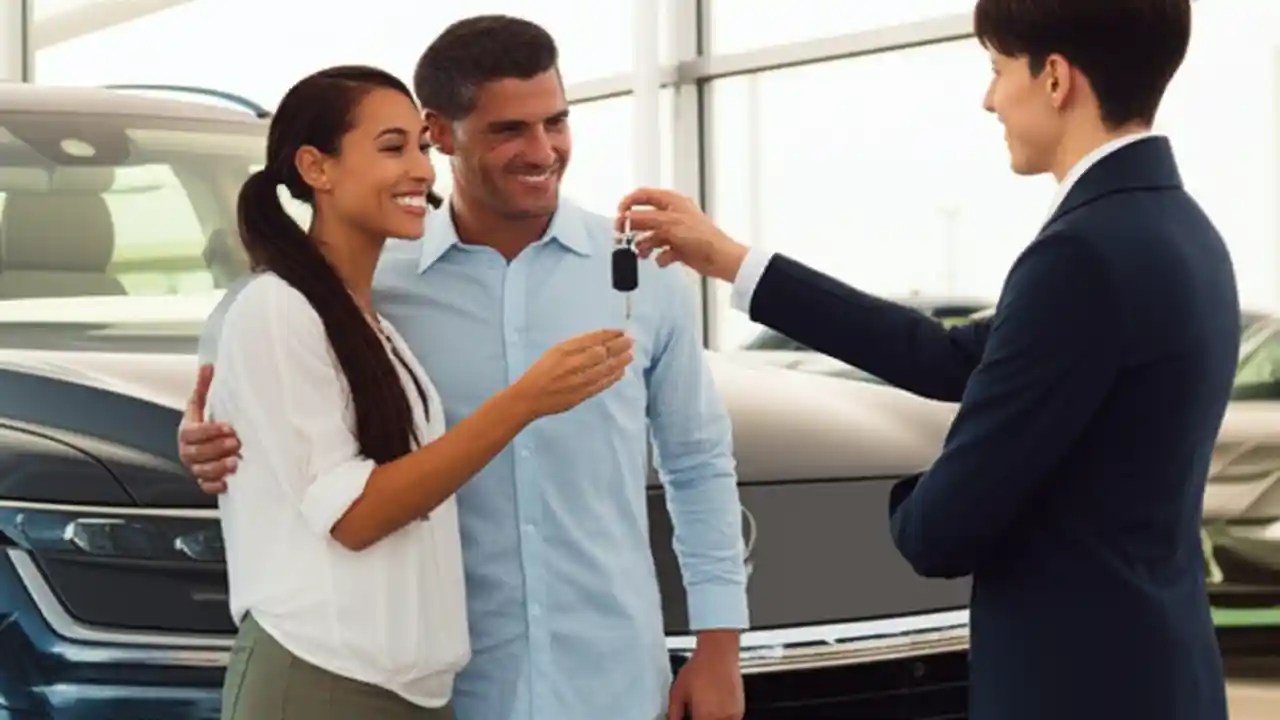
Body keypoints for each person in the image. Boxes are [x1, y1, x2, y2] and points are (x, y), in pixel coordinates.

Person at [613, 1, 1235, 719]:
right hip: (1164, 672)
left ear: (1056, 79)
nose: (989, 99)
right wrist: (732, 261)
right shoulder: (1183, 232)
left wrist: (887, 498)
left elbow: (941, 530)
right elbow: (948, 357)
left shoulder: (1080, 257)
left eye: (999, 70)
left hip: (1076, 687)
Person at [179, 15, 748, 720]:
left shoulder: (637, 275)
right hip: (439, 689)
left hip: (612, 679)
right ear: (441, 134)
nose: (542, 150)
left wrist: (719, 645)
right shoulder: (359, 283)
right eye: (510, 130)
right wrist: (205, 439)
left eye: (556, 123)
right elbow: (242, 380)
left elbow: (697, 463)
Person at [204, 64, 632, 719]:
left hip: (407, 692)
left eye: (421, 148)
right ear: (317, 169)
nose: (422, 170)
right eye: (391, 148)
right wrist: (526, 402)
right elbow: (354, 517)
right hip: (323, 681)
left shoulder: (368, 322)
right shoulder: (278, 310)